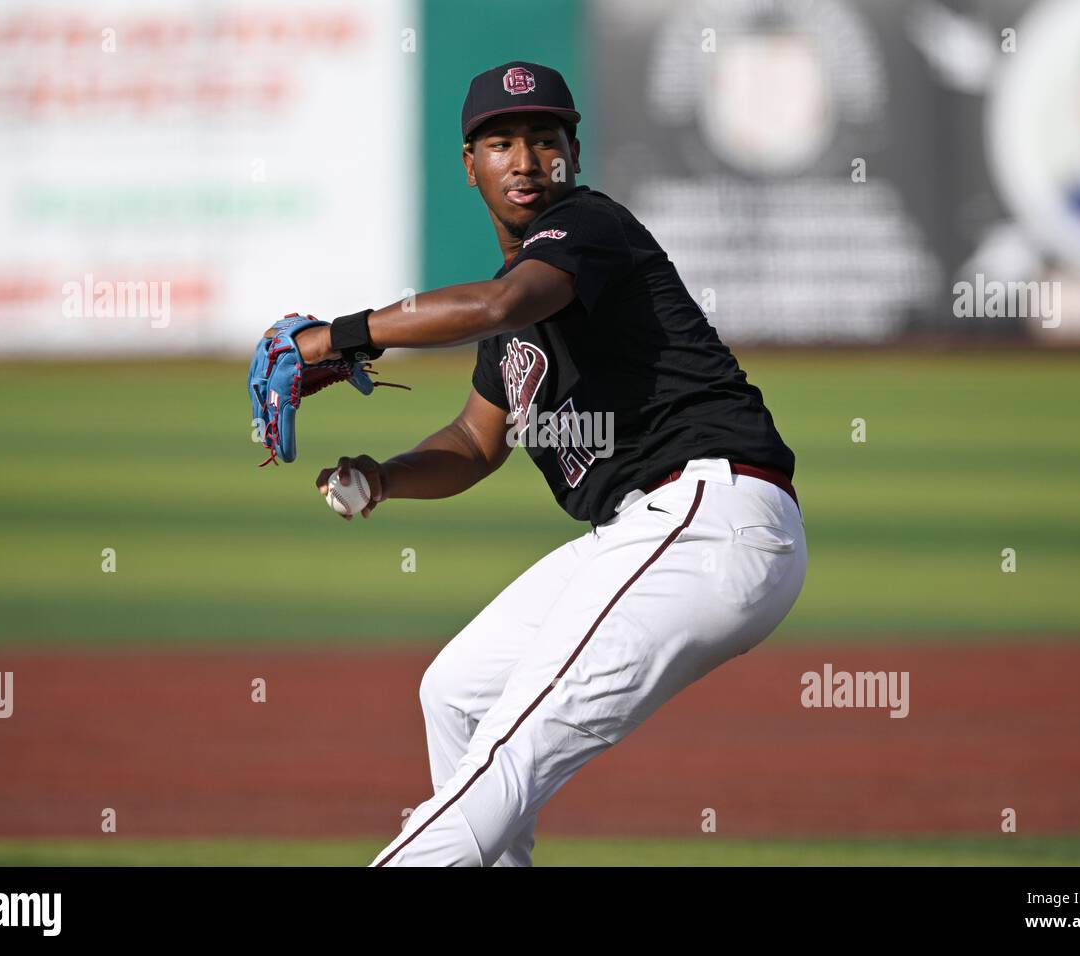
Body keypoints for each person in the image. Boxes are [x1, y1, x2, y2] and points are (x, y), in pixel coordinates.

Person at [292, 61, 807, 866]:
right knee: (456, 694)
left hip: (710, 517)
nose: (526, 160)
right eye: (501, 142)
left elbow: (497, 305)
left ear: (573, 151)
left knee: (505, 758)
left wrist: (337, 335)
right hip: (647, 530)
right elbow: (471, 442)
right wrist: (386, 475)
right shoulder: (515, 309)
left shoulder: (587, 229)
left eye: (545, 139)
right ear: (470, 164)